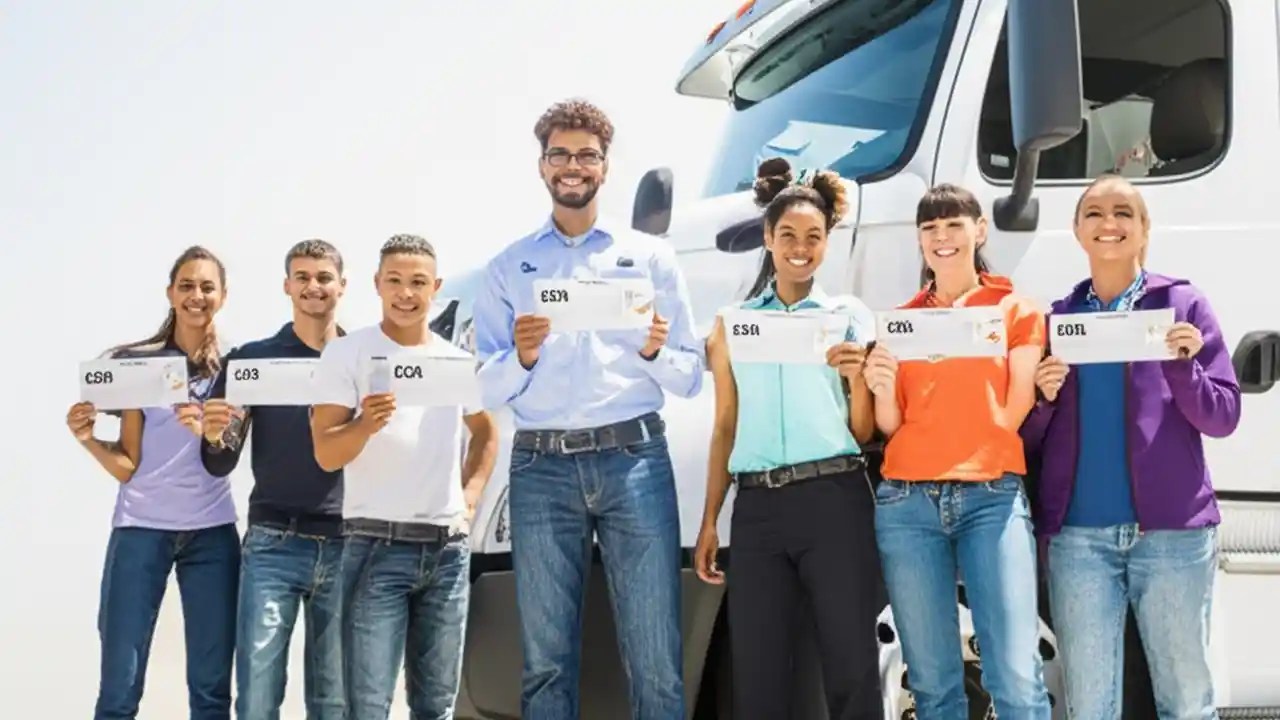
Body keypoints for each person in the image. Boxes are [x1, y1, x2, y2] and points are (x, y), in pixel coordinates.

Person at [471, 98, 704, 720]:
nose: (572, 166)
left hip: (636, 460)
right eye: (560, 155)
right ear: (542, 165)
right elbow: (484, 388)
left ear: (605, 165)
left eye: (586, 155)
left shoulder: (651, 258)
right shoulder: (508, 267)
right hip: (541, 468)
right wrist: (521, 356)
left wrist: (652, 349)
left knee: (655, 657)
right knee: (545, 664)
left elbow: (690, 377)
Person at [1021, 175, 1241, 720]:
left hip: (1172, 536)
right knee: (1091, 706)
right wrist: (1043, 398)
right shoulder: (1060, 319)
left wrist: (1185, 369)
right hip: (1078, 542)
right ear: (1077, 231)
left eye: (1124, 212)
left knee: (1186, 702)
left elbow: (1223, 417)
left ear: (1145, 229)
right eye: (1094, 213)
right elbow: (1028, 440)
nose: (1109, 223)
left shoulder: (1182, 305)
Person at [693, 157, 884, 720]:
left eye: (813, 237)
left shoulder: (850, 317)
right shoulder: (732, 324)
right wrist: (710, 519)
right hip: (757, 511)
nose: (801, 248)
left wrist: (857, 378)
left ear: (827, 242)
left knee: (851, 666)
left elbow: (862, 431)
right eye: (788, 236)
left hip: (835, 501)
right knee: (758, 673)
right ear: (768, 238)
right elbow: (725, 425)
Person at [861, 185, 1052, 719]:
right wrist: (880, 385)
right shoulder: (902, 320)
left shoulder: (1015, 310)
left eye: (953, 225)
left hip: (991, 498)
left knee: (1015, 677)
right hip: (907, 505)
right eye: (930, 228)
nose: (941, 237)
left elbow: (1018, 402)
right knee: (932, 684)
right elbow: (891, 425)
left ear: (979, 230)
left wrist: (973, 449)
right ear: (919, 240)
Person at [309, 234, 498, 720]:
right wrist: (364, 425)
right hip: (375, 546)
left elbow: (485, 432)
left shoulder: (457, 362)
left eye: (418, 282)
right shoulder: (347, 355)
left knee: (436, 706)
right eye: (394, 280)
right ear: (377, 284)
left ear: (436, 287)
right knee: (368, 707)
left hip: (447, 552)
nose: (406, 293)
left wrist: (471, 496)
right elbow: (326, 453)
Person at [66, 245, 240, 720]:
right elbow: (128, 464)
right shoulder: (139, 366)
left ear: (223, 296)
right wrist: (88, 439)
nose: (196, 295)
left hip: (212, 536)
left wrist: (209, 430)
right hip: (140, 531)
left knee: (211, 692)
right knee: (119, 691)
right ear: (170, 293)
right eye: (187, 285)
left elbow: (227, 456)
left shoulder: (236, 368)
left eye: (207, 287)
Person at [199, 239, 348, 720]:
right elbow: (221, 460)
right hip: (272, 544)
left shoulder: (364, 359)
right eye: (302, 277)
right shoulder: (251, 361)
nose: (313, 286)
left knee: (334, 701)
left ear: (342, 286)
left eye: (323, 277)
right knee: (258, 698)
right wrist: (213, 435)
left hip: (348, 544)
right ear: (287, 285)